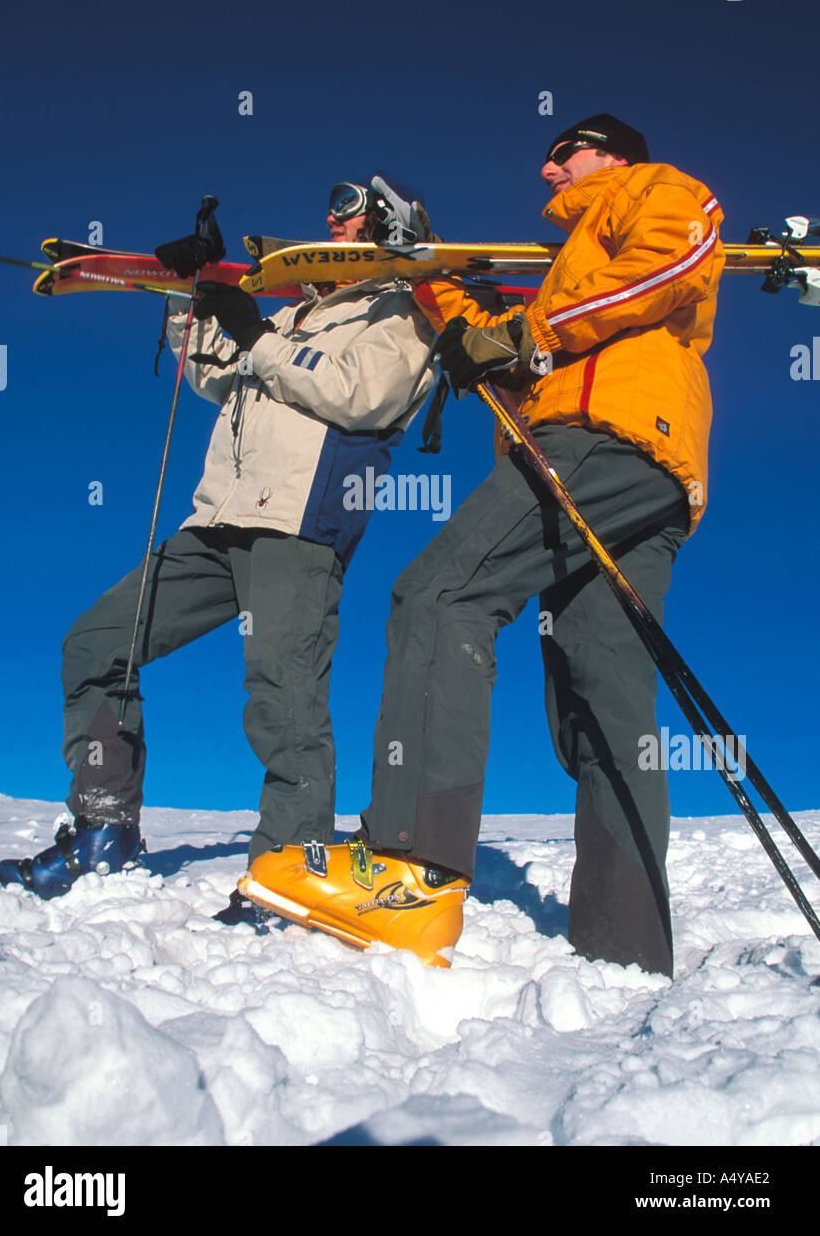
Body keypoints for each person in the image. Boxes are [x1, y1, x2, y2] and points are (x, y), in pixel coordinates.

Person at [238, 114, 726, 976]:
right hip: (646, 475)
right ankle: (626, 948)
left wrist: (532, 335)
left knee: (441, 595)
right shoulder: (570, 278)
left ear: (610, 153)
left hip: (607, 439)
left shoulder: (651, 191)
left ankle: (410, 870)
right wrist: (435, 278)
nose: (547, 169)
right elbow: (493, 344)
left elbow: (672, 261)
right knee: (602, 690)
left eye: (564, 152)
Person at [0, 175, 442, 899]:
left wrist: (256, 332)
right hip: (217, 521)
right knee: (96, 643)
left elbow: (360, 396)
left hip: (297, 523)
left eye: (349, 214)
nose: (331, 220)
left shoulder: (405, 315)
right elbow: (212, 375)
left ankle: (290, 869)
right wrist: (185, 292)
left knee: (283, 693)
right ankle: (105, 825)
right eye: (329, 211)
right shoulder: (296, 316)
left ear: (390, 226)